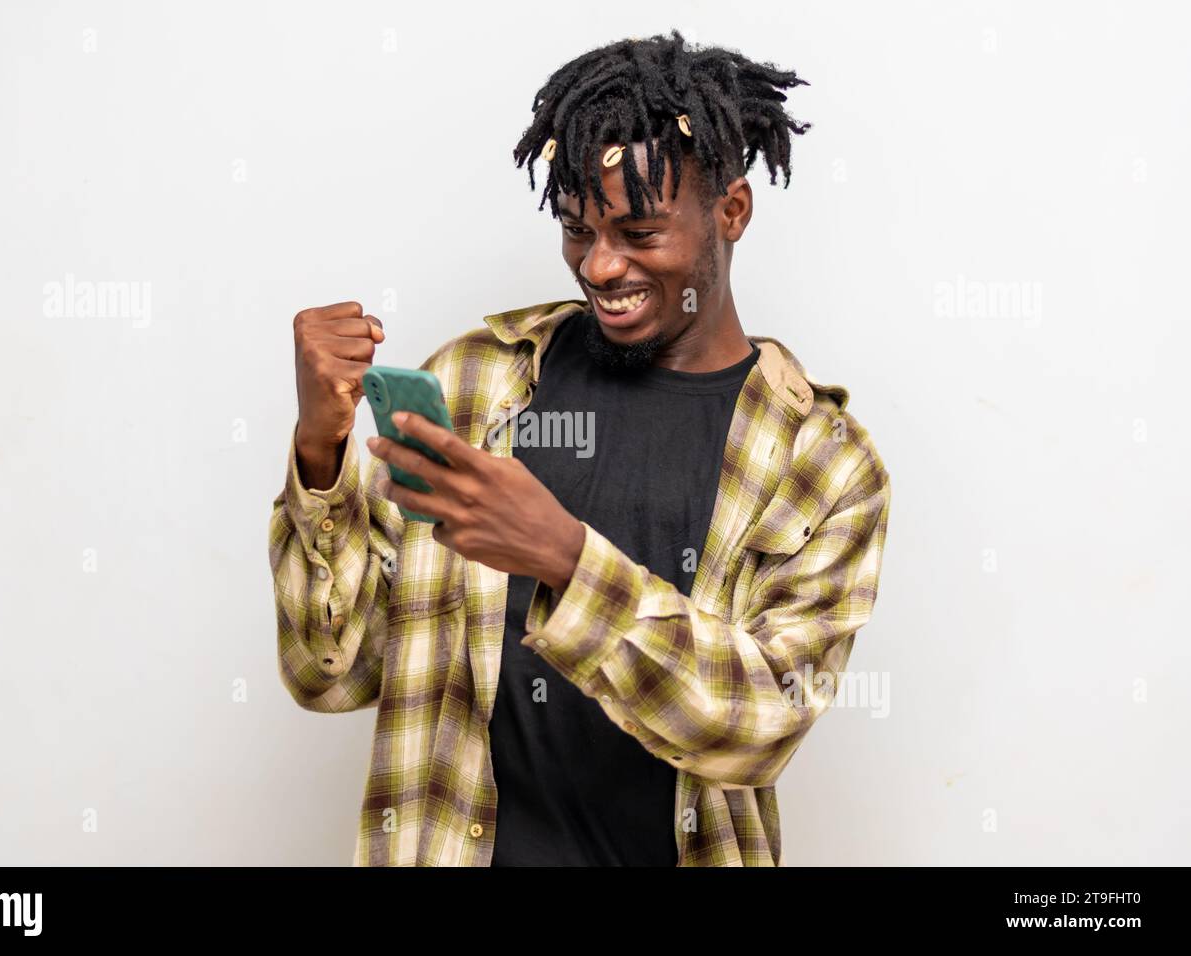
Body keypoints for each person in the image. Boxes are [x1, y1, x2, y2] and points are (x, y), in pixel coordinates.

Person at [269, 29, 891, 866]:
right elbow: (330, 671)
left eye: (639, 233)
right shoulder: (474, 387)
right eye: (577, 230)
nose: (599, 266)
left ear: (732, 211)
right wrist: (320, 448)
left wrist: (565, 559)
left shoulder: (824, 464)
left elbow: (760, 728)